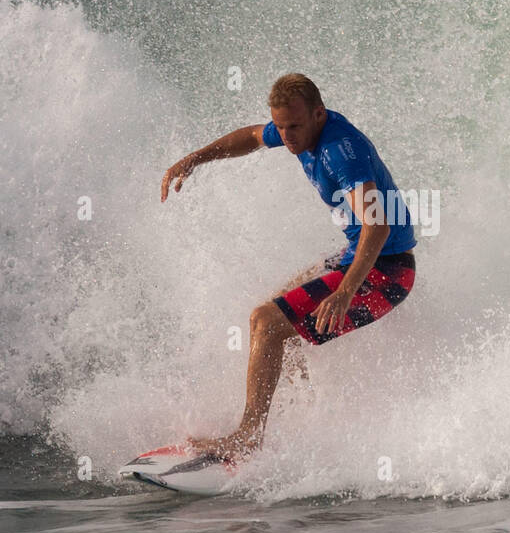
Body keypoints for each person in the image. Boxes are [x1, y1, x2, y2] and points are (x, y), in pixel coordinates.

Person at [159, 73, 417, 460]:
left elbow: (377, 224)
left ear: (318, 114)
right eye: (280, 126)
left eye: (293, 126)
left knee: (266, 320)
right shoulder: (300, 130)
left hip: (388, 271)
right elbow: (249, 137)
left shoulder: (342, 152)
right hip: (357, 255)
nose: (287, 137)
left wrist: (345, 292)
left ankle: (248, 438)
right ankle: (291, 421)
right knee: (275, 317)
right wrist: (196, 158)